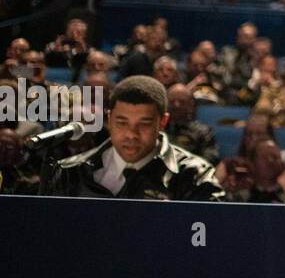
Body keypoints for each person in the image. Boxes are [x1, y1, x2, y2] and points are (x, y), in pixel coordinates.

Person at [46, 76, 225, 201]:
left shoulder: (195, 176)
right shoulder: (70, 171)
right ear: (109, 119)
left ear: (163, 122)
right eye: (122, 123)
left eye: (144, 124)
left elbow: (210, 243)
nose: (131, 134)